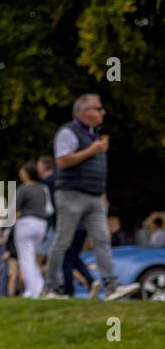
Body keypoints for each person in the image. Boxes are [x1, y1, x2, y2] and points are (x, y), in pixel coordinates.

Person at [42, 94, 138, 300]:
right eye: (98, 108)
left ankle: (112, 286)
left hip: (94, 197)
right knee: (63, 240)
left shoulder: (95, 136)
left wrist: (102, 194)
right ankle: (49, 287)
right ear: (85, 112)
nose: (103, 112)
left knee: (102, 240)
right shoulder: (68, 133)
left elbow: (96, 169)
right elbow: (63, 160)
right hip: (71, 195)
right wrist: (91, 150)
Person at [13, 162, 51, 298]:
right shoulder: (43, 189)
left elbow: (14, 211)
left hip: (26, 223)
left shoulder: (23, 189)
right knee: (33, 258)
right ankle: (38, 287)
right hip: (41, 224)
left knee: (26, 258)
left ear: (27, 174)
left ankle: (32, 290)